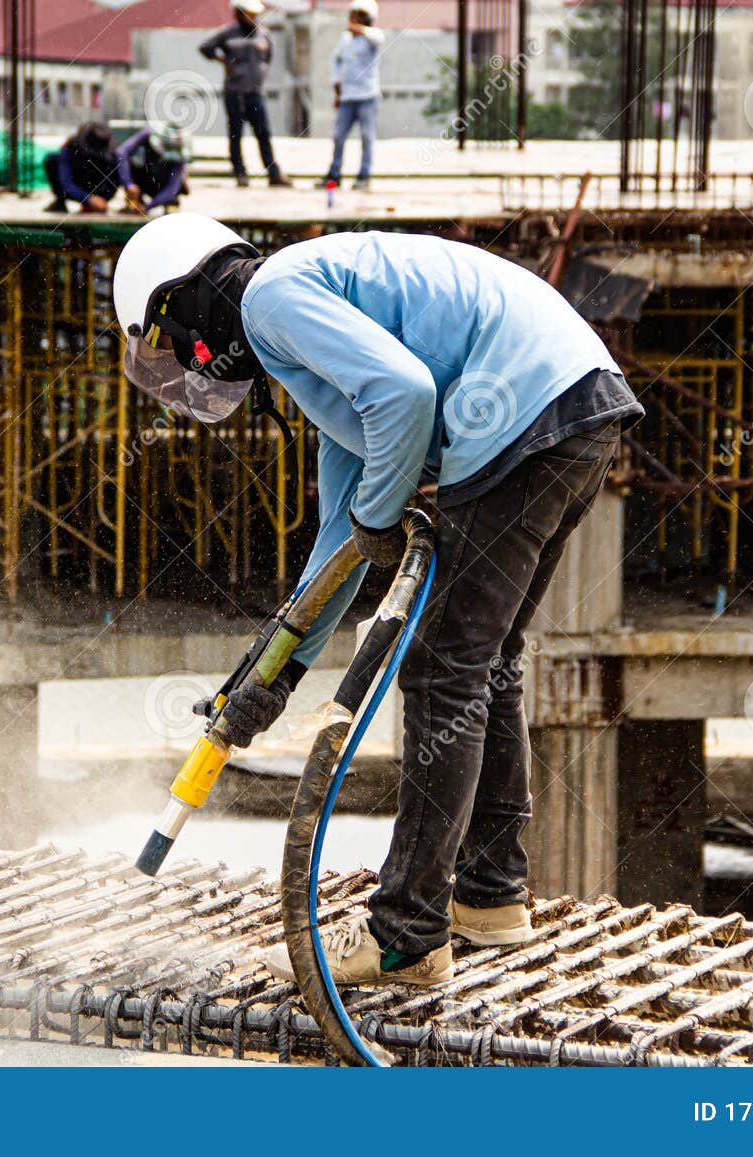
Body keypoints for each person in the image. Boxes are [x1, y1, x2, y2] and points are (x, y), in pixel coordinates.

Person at [112, 216, 643, 986]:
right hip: (576, 405)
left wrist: (379, 513)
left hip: (526, 411)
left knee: (441, 670)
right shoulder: (318, 344)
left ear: (185, 302)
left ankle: (407, 933)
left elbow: (406, 394)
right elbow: (340, 547)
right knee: (485, 658)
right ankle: (491, 898)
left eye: (180, 348)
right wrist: (273, 673)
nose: (195, 367)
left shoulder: (270, 298)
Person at [199, 0, 291, 188]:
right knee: (236, 133)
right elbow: (205, 48)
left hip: (255, 92)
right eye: (250, 13)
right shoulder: (227, 33)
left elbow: (268, 55)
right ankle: (240, 172)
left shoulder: (262, 34)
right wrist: (224, 61)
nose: (254, 17)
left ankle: (273, 173)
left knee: (263, 133)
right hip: (235, 92)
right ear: (240, 13)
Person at [326, 0, 383, 190]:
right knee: (339, 136)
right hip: (347, 96)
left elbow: (377, 38)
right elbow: (336, 61)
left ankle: (364, 175)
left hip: (367, 96)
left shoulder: (373, 36)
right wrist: (337, 88)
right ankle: (334, 173)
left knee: (367, 137)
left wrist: (360, 29)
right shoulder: (345, 39)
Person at [42, 122, 120, 213]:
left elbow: (114, 180)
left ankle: (99, 203)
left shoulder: (113, 152)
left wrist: (103, 200)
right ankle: (60, 202)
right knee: (52, 159)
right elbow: (65, 180)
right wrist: (87, 198)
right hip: (77, 185)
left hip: (99, 188)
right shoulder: (70, 147)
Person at [117, 124, 189, 213]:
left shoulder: (180, 156)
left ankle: (168, 202)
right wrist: (128, 184)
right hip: (142, 179)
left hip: (162, 184)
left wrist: (147, 207)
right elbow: (121, 153)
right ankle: (135, 201)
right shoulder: (148, 134)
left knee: (176, 185)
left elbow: (172, 188)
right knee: (128, 165)